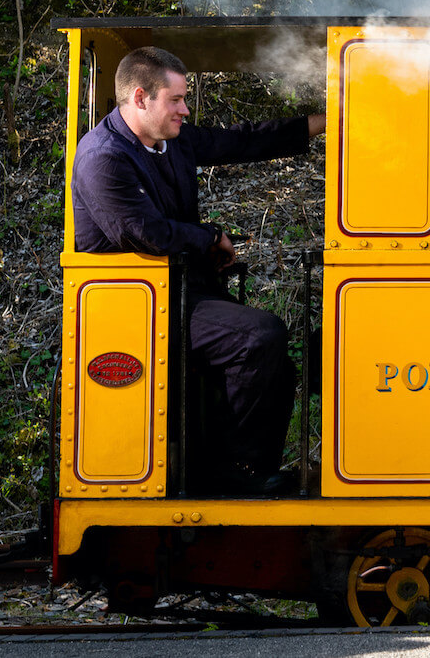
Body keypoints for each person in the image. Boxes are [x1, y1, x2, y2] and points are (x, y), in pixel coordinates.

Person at [72, 46, 325, 495]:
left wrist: (319, 124)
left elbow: (240, 141)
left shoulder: (172, 140)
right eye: (176, 100)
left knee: (278, 363)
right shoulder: (102, 158)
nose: (185, 110)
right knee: (258, 335)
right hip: (136, 309)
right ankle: (232, 473)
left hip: (181, 290)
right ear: (140, 97)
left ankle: (253, 467)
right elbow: (146, 233)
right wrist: (209, 237)